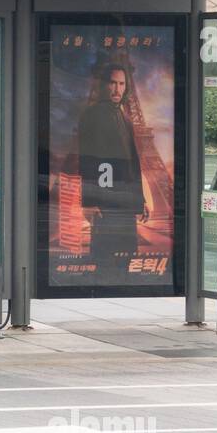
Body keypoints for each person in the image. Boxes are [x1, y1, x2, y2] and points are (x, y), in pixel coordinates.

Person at [77, 62, 148, 279]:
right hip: (105, 199)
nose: (117, 89)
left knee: (126, 254)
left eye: (121, 84)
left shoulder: (124, 118)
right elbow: (86, 160)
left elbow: (132, 163)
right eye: (113, 83)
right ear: (104, 85)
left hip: (124, 199)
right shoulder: (92, 115)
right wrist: (88, 201)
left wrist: (140, 200)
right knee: (104, 256)